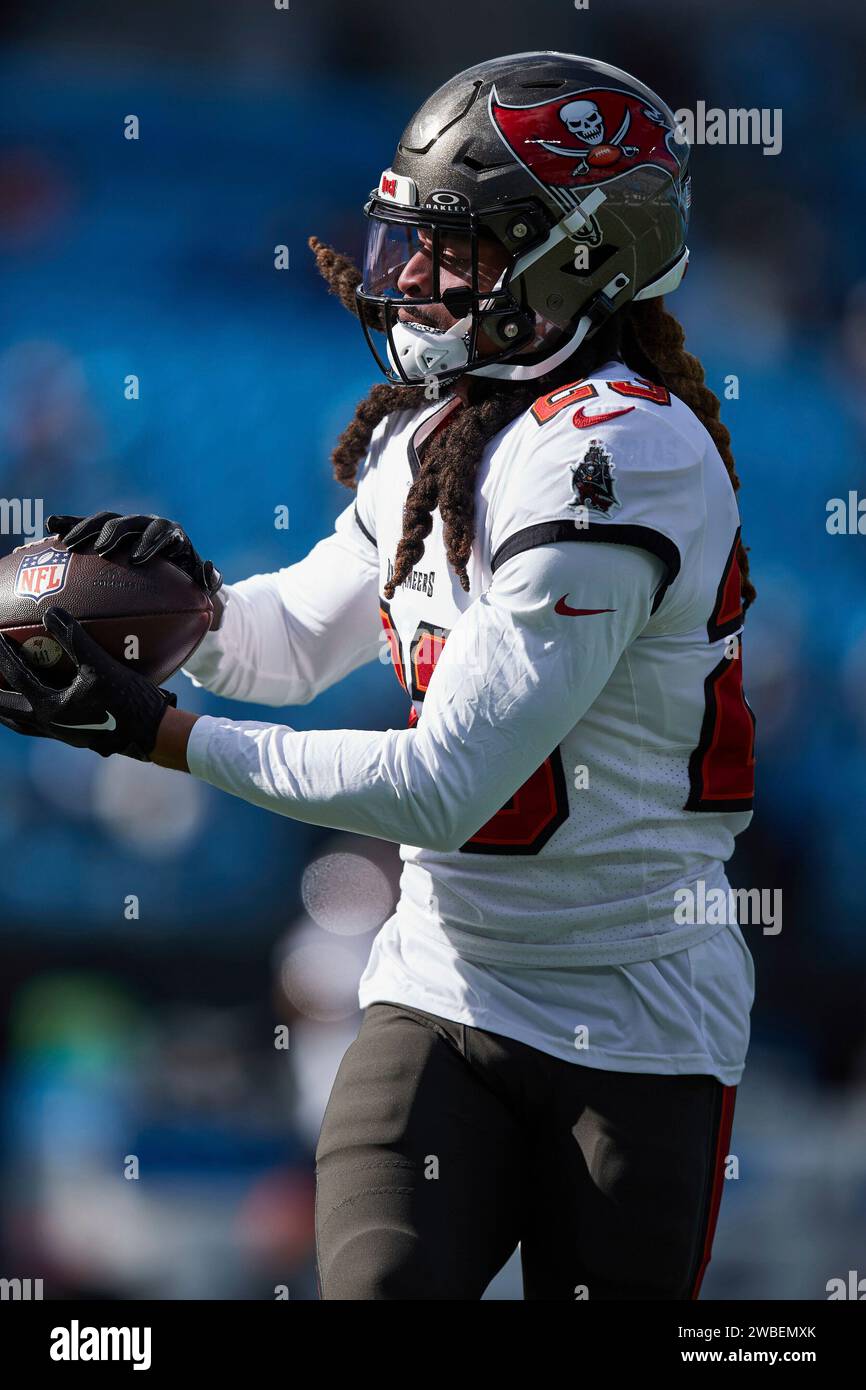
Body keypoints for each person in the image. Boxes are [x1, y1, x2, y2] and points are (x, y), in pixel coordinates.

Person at [0, 52, 756, 1300]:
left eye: (448, 243)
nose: (402, 272)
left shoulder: (621, 453)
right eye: (401, 235)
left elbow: (443, 787)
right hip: (438, 985)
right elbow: (290, 641)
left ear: (569, 255)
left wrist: (160, 735)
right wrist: (172, 618)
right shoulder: (436, 431)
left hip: (633, 1019)